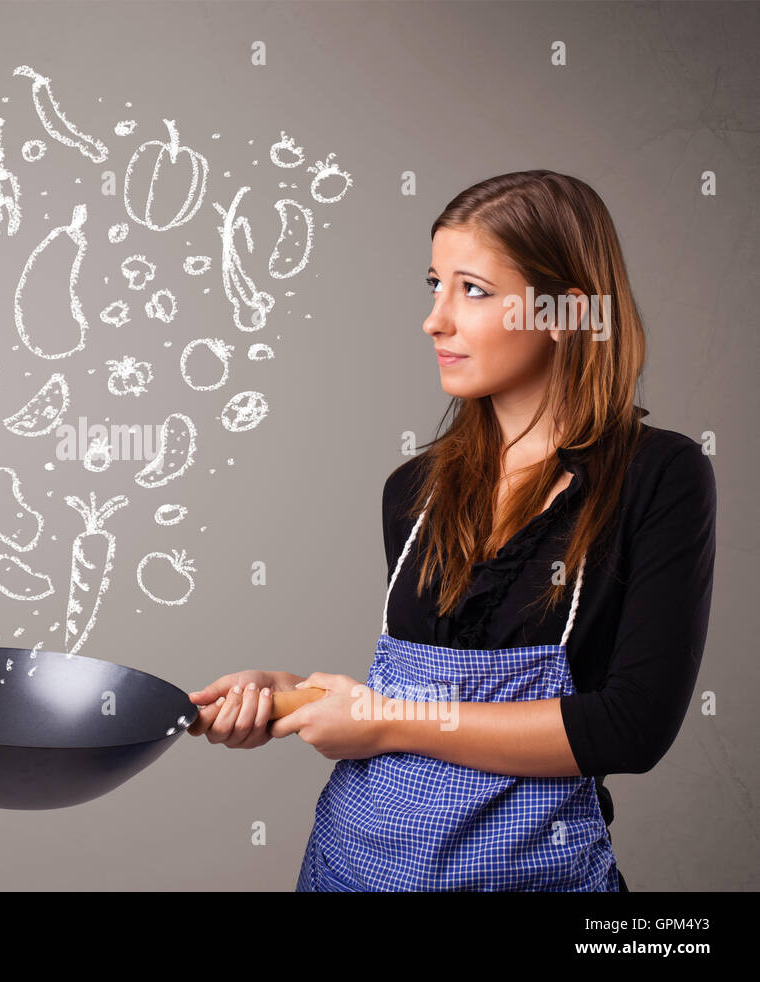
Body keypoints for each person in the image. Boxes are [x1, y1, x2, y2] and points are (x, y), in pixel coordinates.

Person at [188, 170, 717, 892]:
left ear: (562, 311)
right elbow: (415, 697)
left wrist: (383, 720)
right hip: (353, 867)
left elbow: (629, 728)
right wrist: (291, 697)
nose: (435, 319)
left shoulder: (659, 476)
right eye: (433, 284)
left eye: (472, 290)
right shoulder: (412, 492)